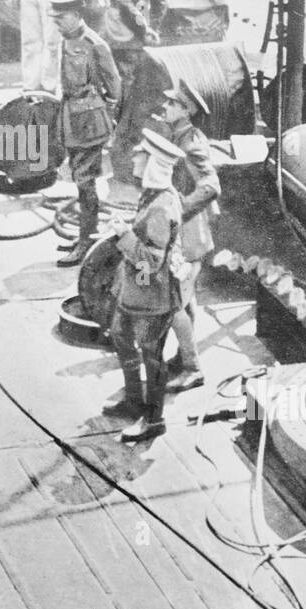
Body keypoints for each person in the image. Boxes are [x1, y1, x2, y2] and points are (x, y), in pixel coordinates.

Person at [102, 127, 187, 443]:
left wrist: (124, 234)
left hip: (153, 297)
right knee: (122, 337)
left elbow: (151, 262)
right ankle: (133, 399)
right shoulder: (153, 195)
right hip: (134, 292)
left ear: (152, 162)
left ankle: (153, 420)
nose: (135, 154)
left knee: (152, 355)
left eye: (141, 152)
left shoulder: (162, 206)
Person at [49, 0, 121, 267]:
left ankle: (86, 242)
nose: (57, 23)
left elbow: (114, 85)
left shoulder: (95, 44)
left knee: (84, 181)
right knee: (80, 180)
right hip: (70, 116)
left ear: (77, 15)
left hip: (90, 121)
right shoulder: (66, 40)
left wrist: (108, 116)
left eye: (61, 18)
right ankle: (84, 235)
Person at [156, 80, 220, 391]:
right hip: (188, 231)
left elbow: (210, 186)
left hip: (189, 234)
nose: (165, 107)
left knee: (174, 303)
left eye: (171, 103)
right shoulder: (184, 136)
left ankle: (193, 368)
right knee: (186, 297)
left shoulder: (191, 145)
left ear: (185, 111)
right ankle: (183, 357)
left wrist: (179, 208)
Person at [101, 0, 170, 182]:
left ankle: (117, 148)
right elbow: (163, 1)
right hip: (142, 42)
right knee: (136, 95)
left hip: (121, 40)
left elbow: (125, 6)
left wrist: (141, 30)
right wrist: (152, 29)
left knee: (119, 93)